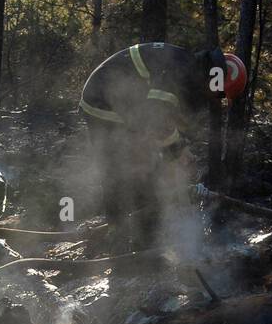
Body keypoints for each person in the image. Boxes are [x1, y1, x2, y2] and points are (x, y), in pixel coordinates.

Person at [79, 43, 246, 251]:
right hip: (102, 104)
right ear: (214, 81)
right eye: (220, 94)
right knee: (129, 168)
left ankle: (138, 237)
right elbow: (155, 120)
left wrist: (177, 150)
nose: (215, 100)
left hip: (116, 105)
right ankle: (128, 242)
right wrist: (177, 150)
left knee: (144, 164)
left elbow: (160, 121)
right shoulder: (182, 73)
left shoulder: (187, 66)